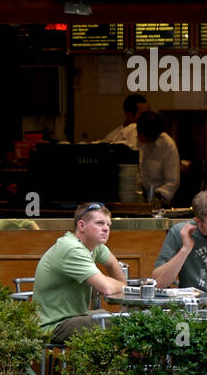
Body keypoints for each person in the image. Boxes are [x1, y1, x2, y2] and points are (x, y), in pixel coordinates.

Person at [33, 202, 126, 344]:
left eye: (108, 224)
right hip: (53, 325)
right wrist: (125, 287)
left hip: (74, 317)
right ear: (82, 226)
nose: (106, 229)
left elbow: (113, 264)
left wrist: (122, 286)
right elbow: (106, 288)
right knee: (122, 324)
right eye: (100, 223)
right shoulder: (72, 249)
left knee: (117, 318)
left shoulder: (94, 246)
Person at [136, 111, 180, 206]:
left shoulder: (168, 145)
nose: (140, 138)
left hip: (161, 201)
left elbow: (173, 182)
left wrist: (156, 198)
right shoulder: (138, 140)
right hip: (139, 198)